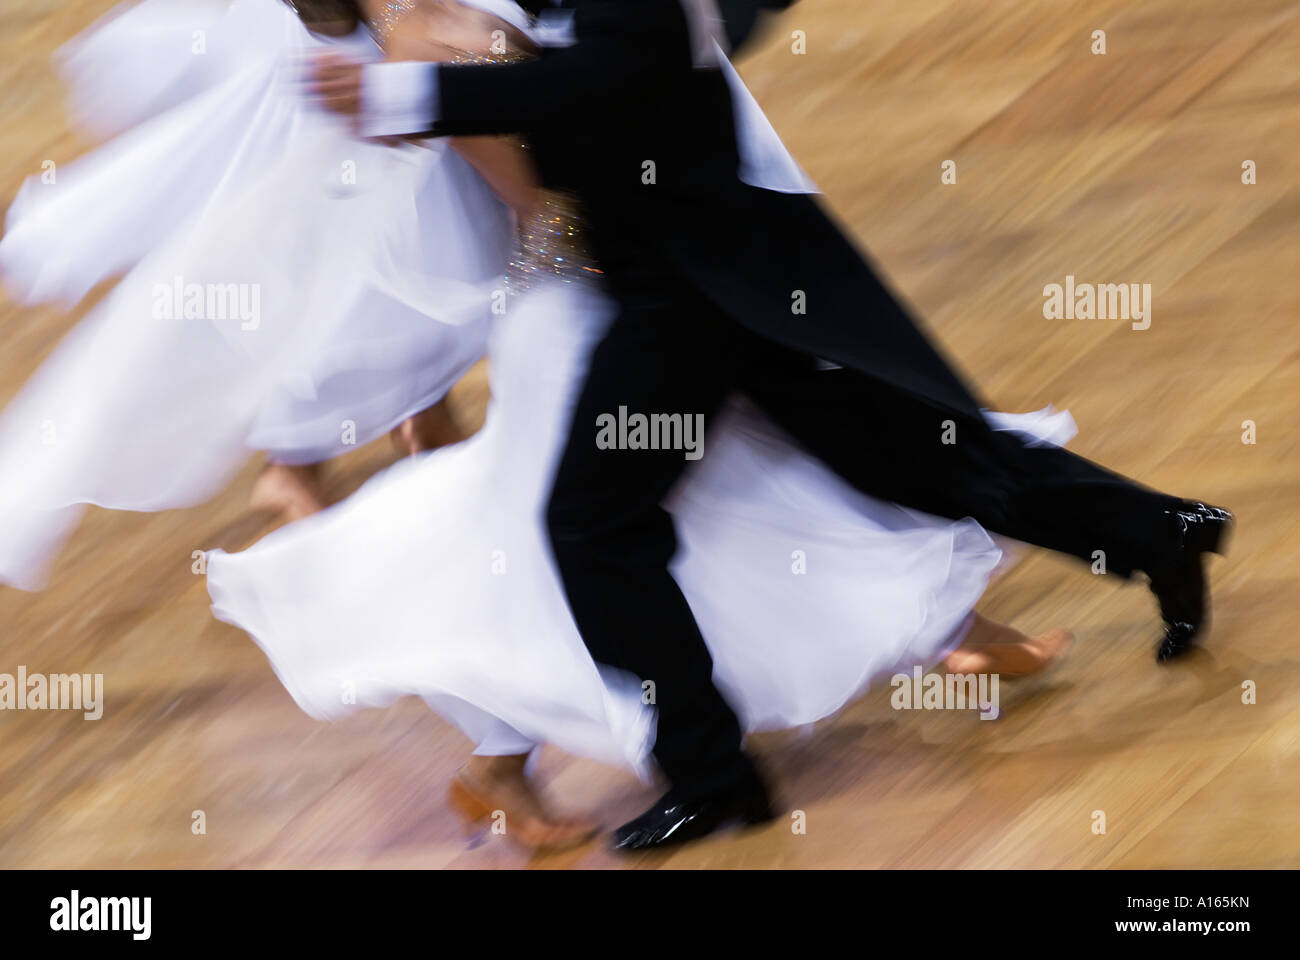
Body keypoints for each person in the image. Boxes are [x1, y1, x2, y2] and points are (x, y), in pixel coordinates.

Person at [309, 0, 1232, 850]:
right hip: (708, 275)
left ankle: (714, 777)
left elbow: (596, 77)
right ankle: (1160, 531)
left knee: (595, 523)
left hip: (695, 293)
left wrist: (409, 89)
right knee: (912, 458)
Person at [0, 0, 508, 589]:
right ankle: (370, 514)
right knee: (379, 297)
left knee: (367, 301)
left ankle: (317, 480)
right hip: (354, 84)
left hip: (346, 76)